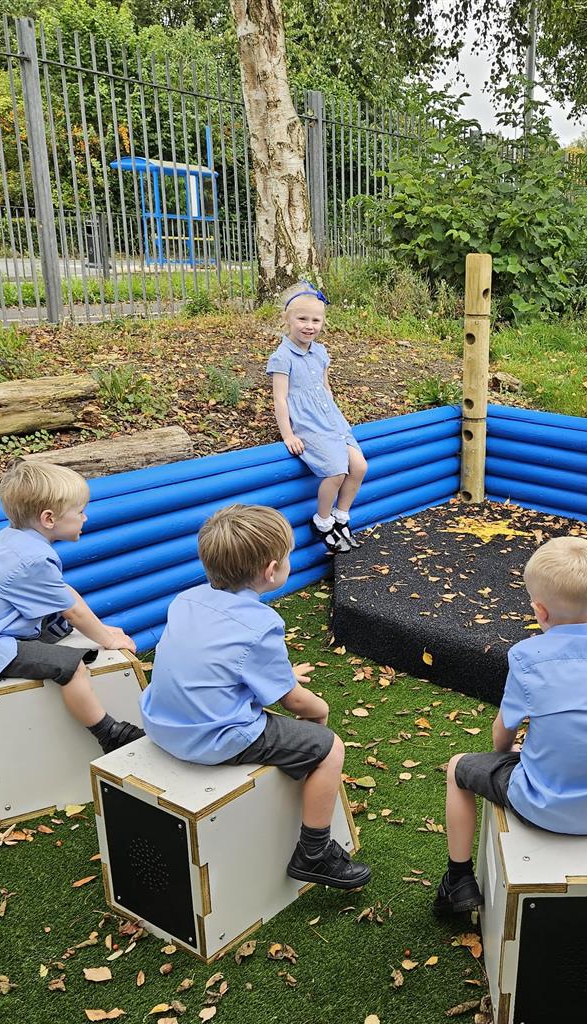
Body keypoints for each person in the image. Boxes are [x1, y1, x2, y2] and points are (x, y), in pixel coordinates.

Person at [433, 536, 587, 915]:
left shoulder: (526, 657)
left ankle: (457, 879)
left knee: (458, 768)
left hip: (541, 805)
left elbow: (502, 733)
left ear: (539, 612)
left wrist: (505, 753)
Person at [139, 504, 369, 890]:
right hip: (211, 739)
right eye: (289, 557)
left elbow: (213, 663)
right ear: (270, 570)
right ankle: (313, 852)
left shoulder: (186, 600)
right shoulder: (261, 624)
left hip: (159, 723)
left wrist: (280, 678)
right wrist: (321, 709)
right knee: (328, 748)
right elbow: (294, 703)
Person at [0, 460, 143, 752]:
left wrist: (102, 631)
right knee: (71, 667)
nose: (85, 518)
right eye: (80, 511)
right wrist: (108, 639)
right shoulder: (33, 559)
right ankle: (108, 732)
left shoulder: (13, 539)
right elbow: (72, 610)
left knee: (63, 626)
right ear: (49, 519)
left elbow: (64, 594)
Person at [268, 282, 367, 555]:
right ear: (287, 319)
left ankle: (341, 516)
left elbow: (325, 388)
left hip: (331, 420)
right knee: (336, 471)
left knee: (358, 466)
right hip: (308, 424)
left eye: (316, 320)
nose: (309, 326)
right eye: (302, 319)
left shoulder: (320, 352)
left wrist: (337, 417)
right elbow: (280, 399)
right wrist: (288, 434)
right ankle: (321, 521)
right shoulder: (282, 357)